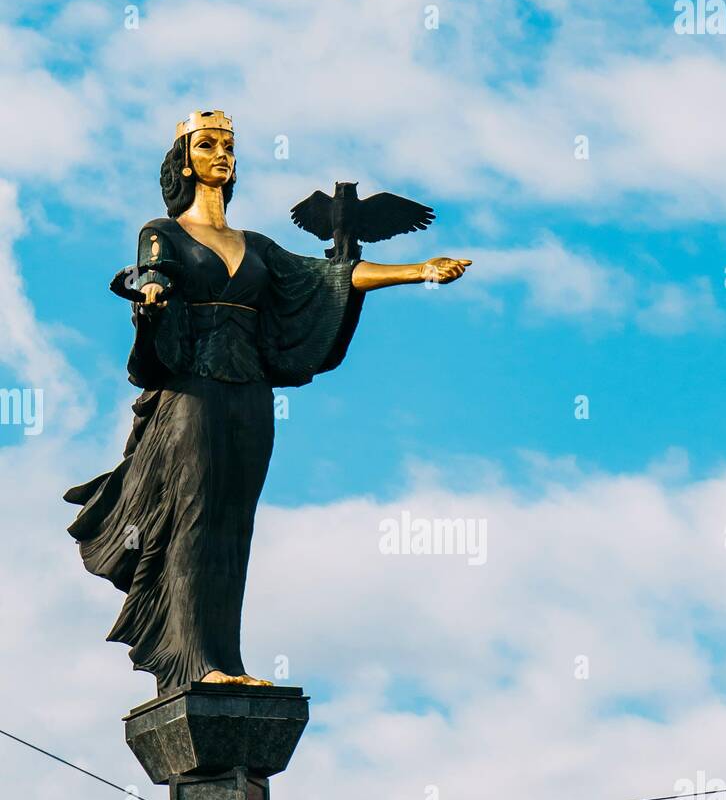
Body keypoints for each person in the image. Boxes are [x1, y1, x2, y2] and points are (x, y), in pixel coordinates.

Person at [65, 109, 470, 695]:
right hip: (192, 389)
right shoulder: (164, 230)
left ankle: (224, 660)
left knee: (235, 525)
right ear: (183, 162)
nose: (221, 155)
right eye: (207, 145)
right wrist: (152, 291)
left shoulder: (256, 246)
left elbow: (330, 277)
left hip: (249, 389)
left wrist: (419, 271)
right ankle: (191, 660)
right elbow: (151, 271)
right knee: (198, 517)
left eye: (229, 146)